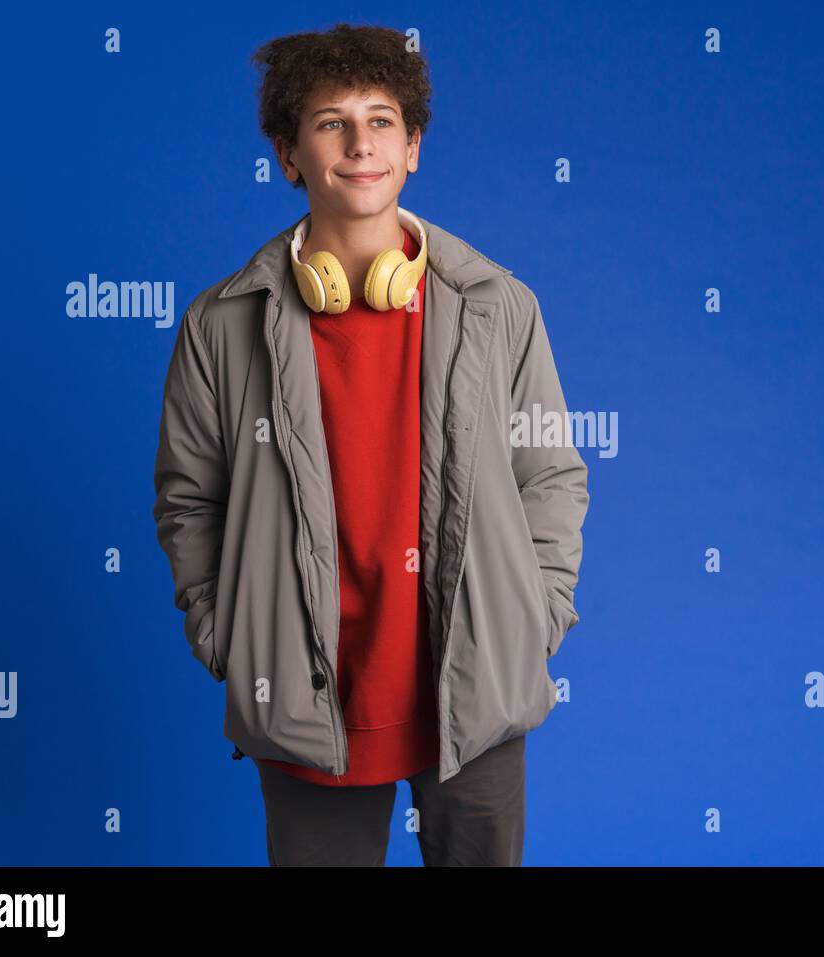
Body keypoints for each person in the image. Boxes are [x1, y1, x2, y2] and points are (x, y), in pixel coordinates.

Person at [151, 23, 589, 866]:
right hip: (308, 704)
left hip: (475, 692)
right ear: (288, 154)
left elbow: (550, 475)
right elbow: (188, 499)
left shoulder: (500, 305)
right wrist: (232, 639)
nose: (360, 144)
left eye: (382, 120)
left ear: (413, 145)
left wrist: (531, 621)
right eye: (330, 122)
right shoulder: (222, 323)